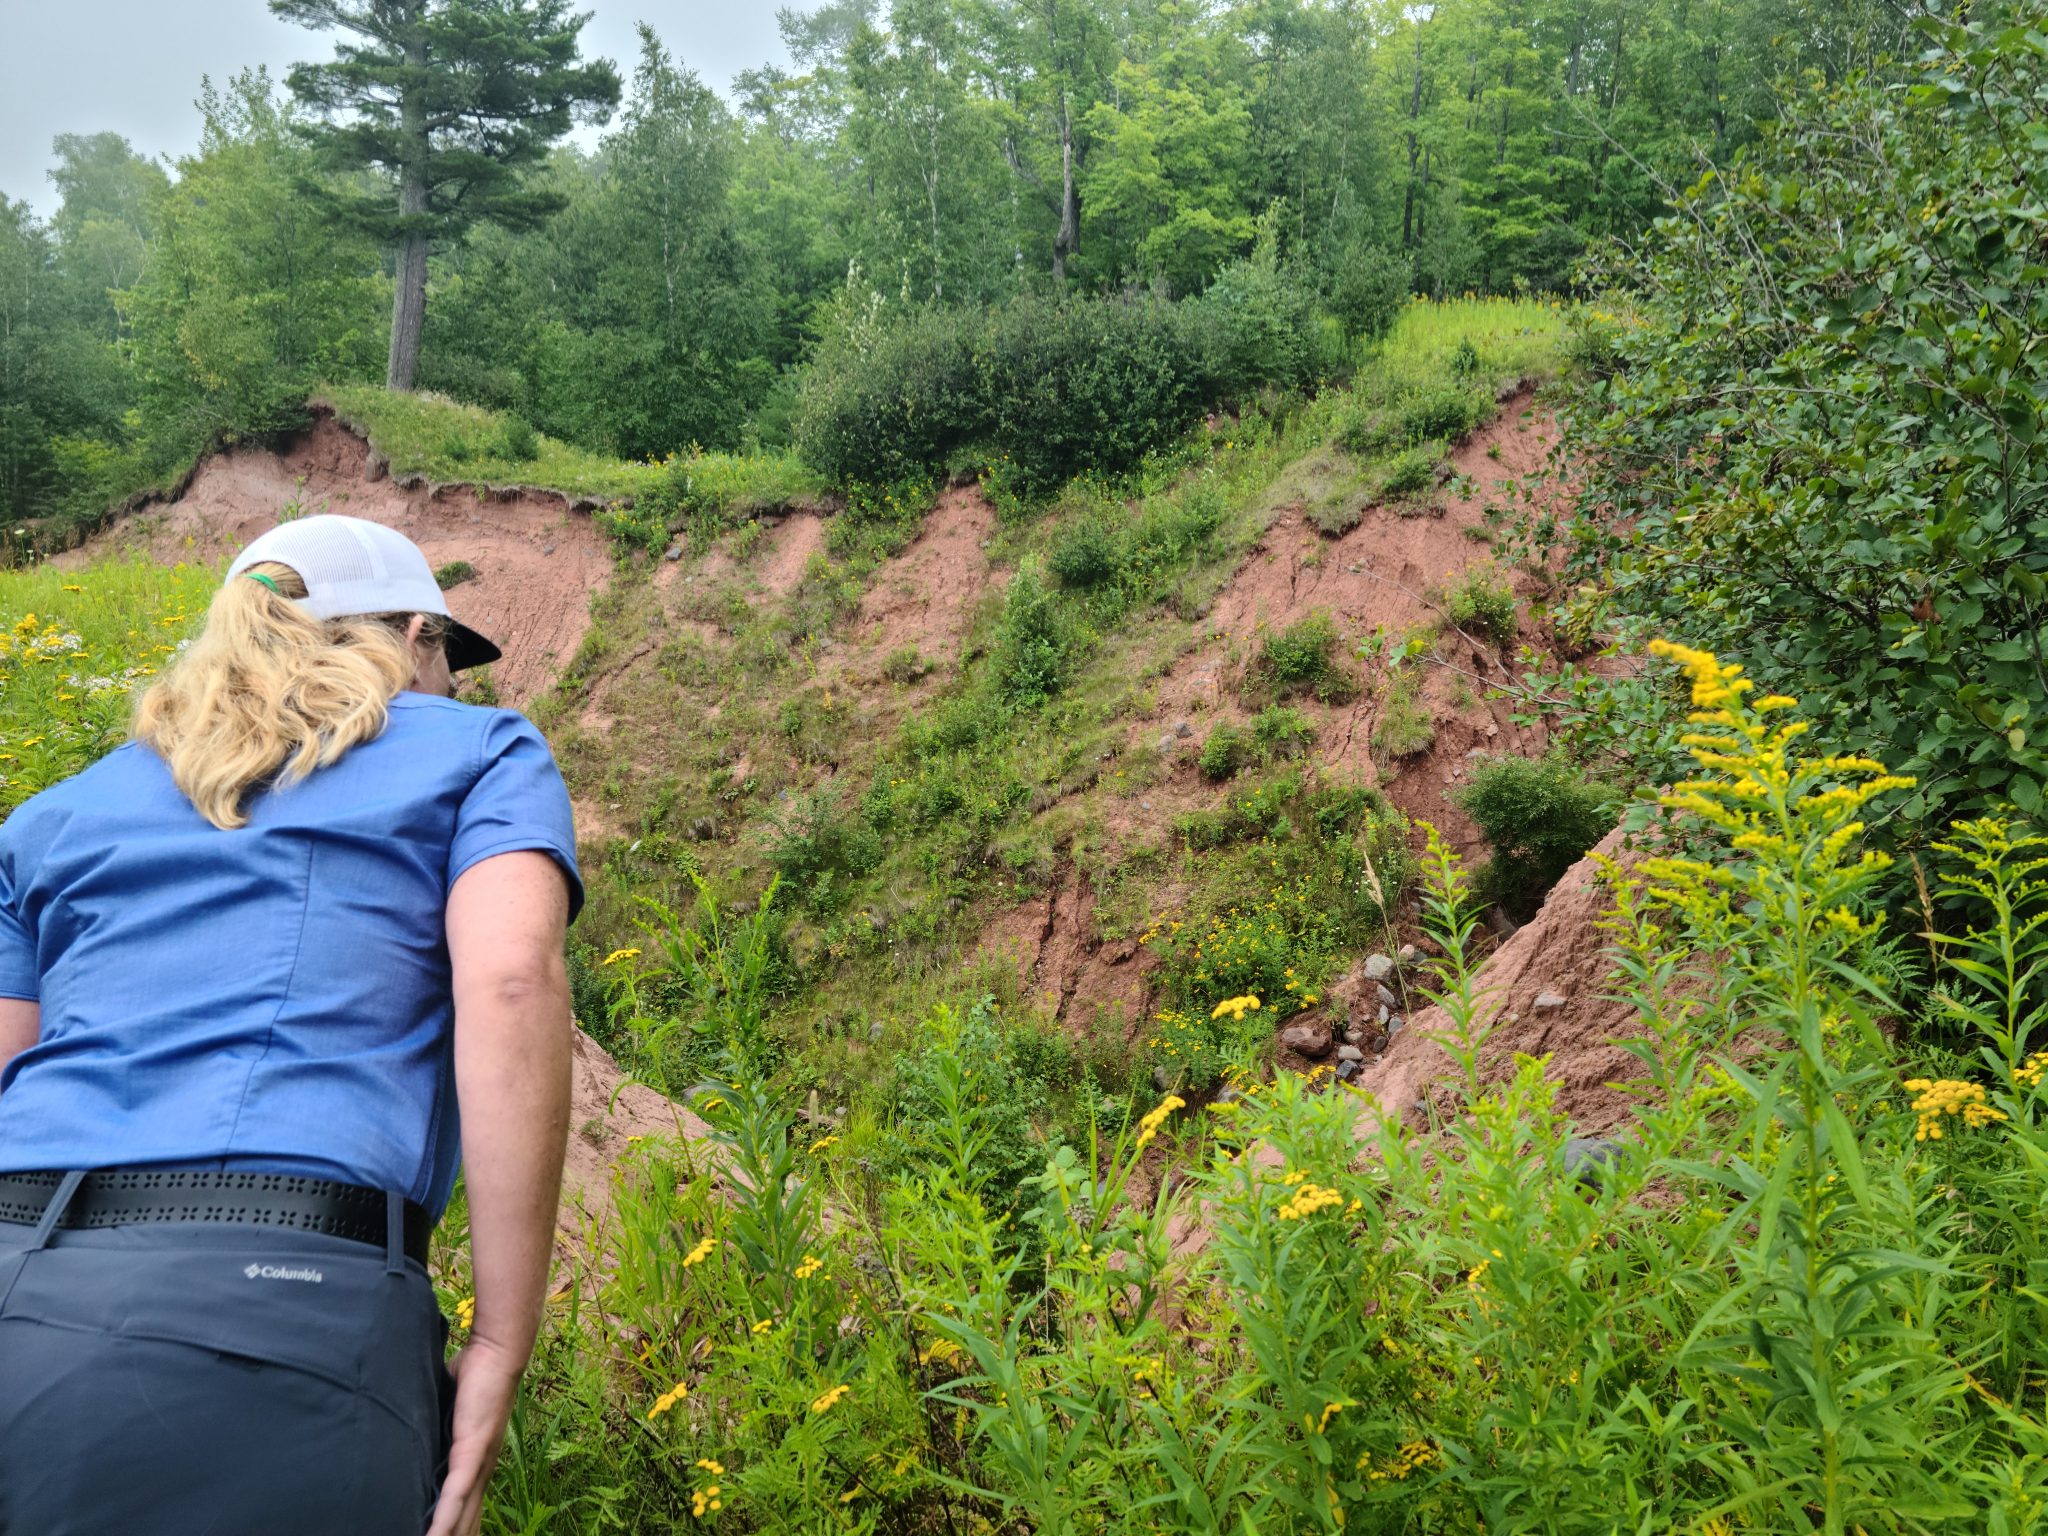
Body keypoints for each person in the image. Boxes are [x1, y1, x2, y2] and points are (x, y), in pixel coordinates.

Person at [0, 514, 582, 1536]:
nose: (451, 685)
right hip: (279, 1303)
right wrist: (497, 1343)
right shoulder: (480, 748)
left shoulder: (53, 813)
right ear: (413, 638)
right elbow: (509, 984)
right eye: (448, 656)